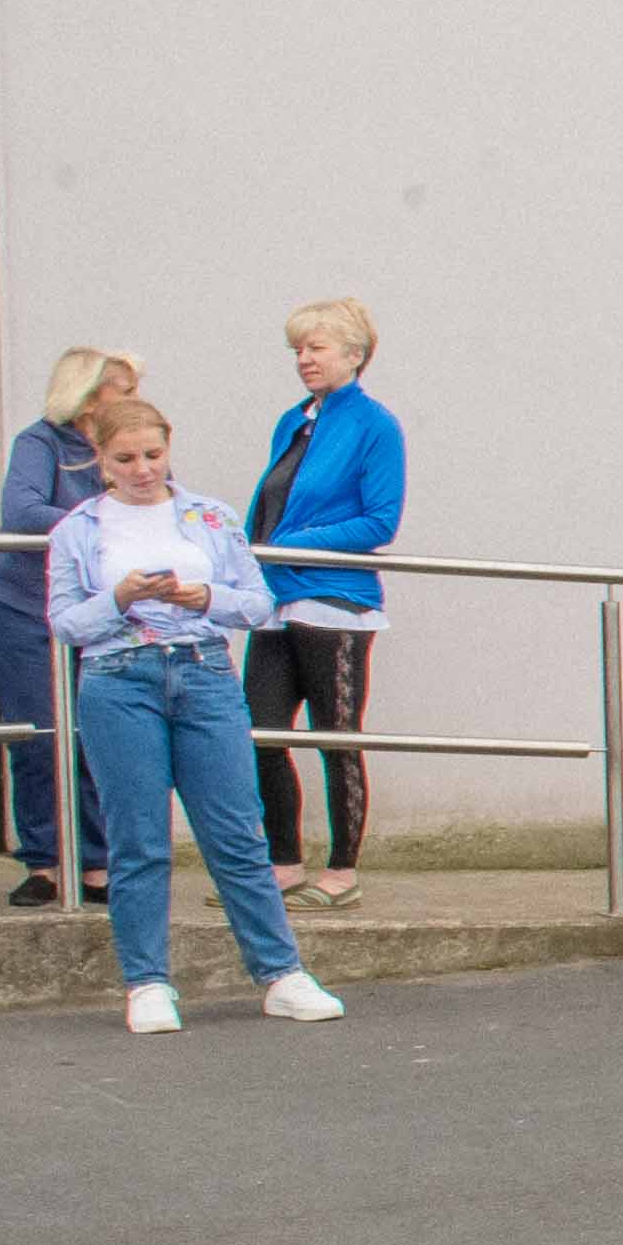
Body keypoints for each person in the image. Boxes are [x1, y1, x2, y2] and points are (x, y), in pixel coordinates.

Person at [46, 391, 347, 1035]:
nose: (142, 469)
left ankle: (281, 973)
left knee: (237, 833)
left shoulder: (210, 516)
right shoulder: (78, 528)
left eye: (153, 454)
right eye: (125, 459)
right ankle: (147, 981)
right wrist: (120, 598)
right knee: (138, 838)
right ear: (101, 459)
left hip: (203, 671)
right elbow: (65, 623)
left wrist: (203, 597)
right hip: (118, 678)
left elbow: (257, 604)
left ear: (168, 448)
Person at [243, 295, 403, 905]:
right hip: (276, 598)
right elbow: (271, 501)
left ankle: (343, 870)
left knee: (336, 736)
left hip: (334, 600)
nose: (304, 359)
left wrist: (291, 543)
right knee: (259, 731)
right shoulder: (295, 420)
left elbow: (380, 520)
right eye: (298, 349)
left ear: (354, 355)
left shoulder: (375, 425)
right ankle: (283, 861)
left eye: (317, 347)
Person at [0, 344, 137, 907]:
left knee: (98, 734)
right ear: (90, 395)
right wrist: (104, 522)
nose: (136, 399)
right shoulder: (40, 442)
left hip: (103, 610)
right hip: (26, 606)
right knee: (40, 736)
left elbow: (156, 505)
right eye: (126, 388)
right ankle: (44, 862)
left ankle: (96, 863)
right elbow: (22, 512)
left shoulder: (129, 446)